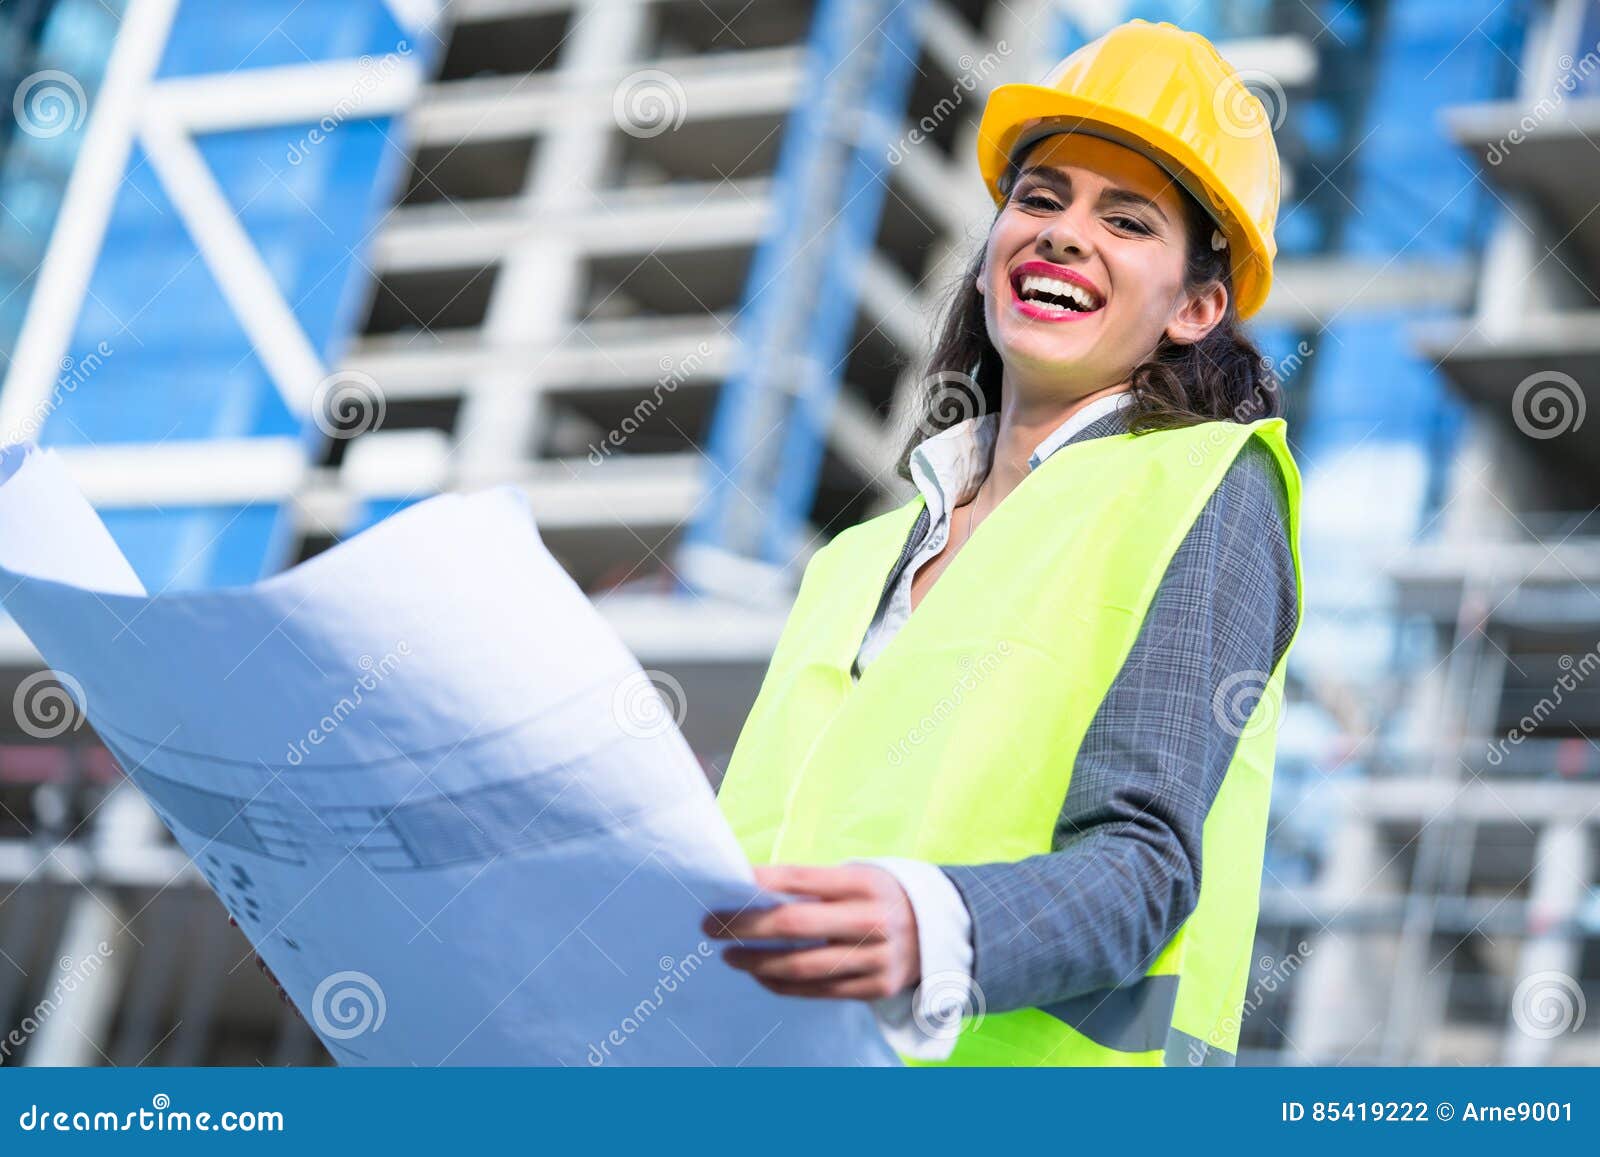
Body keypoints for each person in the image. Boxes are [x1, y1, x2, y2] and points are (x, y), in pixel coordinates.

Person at [703, 19, 1304, 1067]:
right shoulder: (852, 563)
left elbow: (1145, 867)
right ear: (989, 256)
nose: (1065, 233)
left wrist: (928, 928)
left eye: (1125, 219)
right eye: (1039, 198)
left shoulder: (1208, 484)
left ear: (1197, 304)